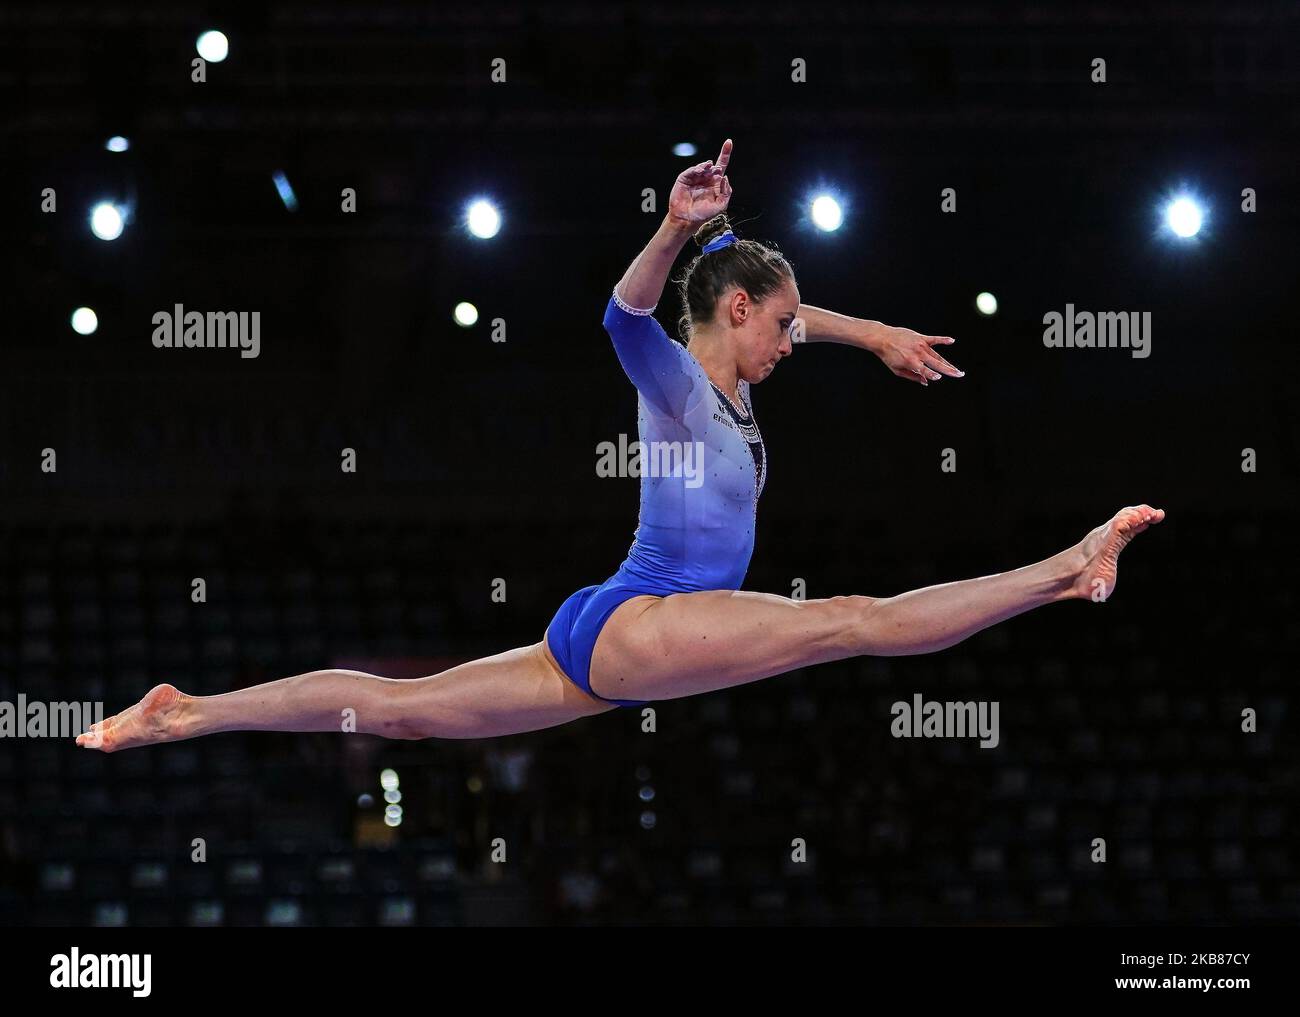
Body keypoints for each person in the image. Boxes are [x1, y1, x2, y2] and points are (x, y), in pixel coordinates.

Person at [77, 139, 1163, 751]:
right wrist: (674, 228)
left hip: (610, 629)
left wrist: (865, 331)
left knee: (400, 712)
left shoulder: (731, 358)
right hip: (646, 625)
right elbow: (622, 315)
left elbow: (770, 295)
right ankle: (1067, 569)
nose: (797, 340)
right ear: (735, 314)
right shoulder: (679, 385)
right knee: (850, 622)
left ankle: (192, 712)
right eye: (787, 327)